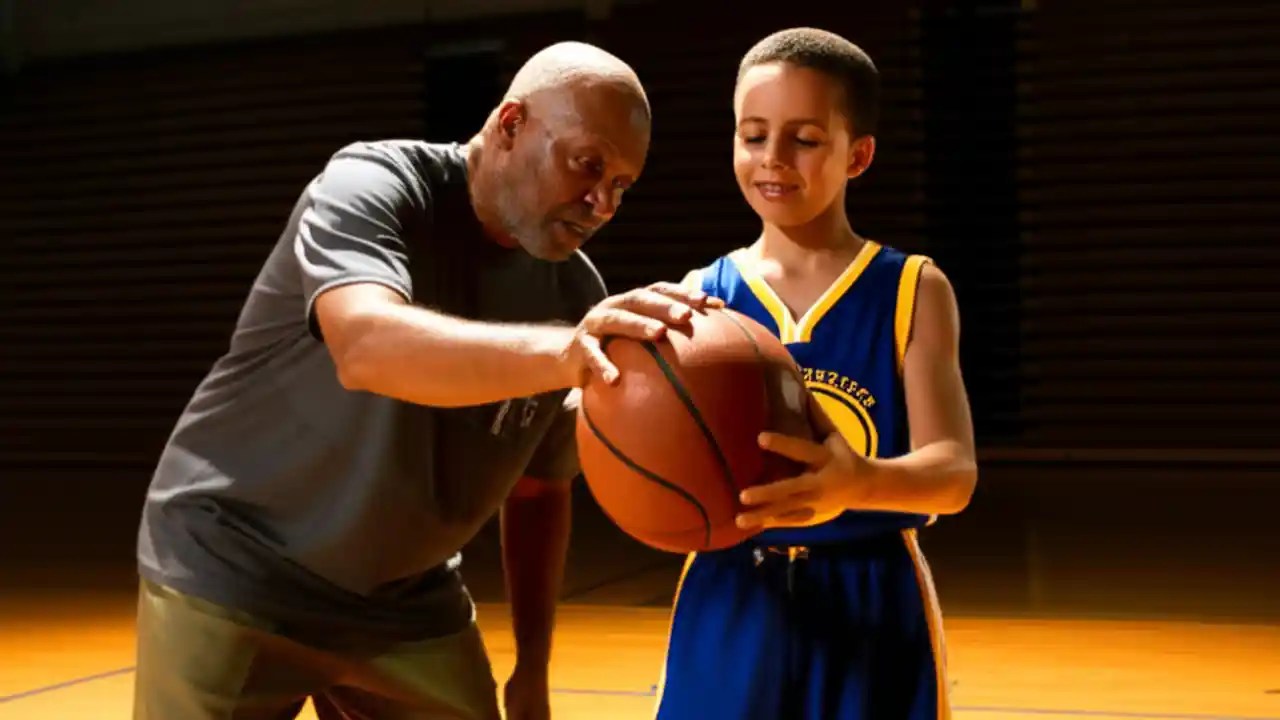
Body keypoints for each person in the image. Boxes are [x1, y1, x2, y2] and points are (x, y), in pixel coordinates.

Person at [132, 41, 718, 720]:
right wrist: (563, 352)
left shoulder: (574, 295)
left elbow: (539, 489)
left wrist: (532, 667)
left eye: (621, 185)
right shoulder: (373, 184)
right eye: (588, 164)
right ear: (511, 124)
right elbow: (365, 346)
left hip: (404, 600)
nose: (602, 202)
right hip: (240, 564)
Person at [653, 28, 978, 720]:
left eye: (803, 139)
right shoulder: (701, 296)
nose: (772, 157)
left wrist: (858, 482)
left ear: (857, 155)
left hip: (873, 592)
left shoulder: (912, 288)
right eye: (753, 135)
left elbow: (954, 475)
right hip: (731, 591)